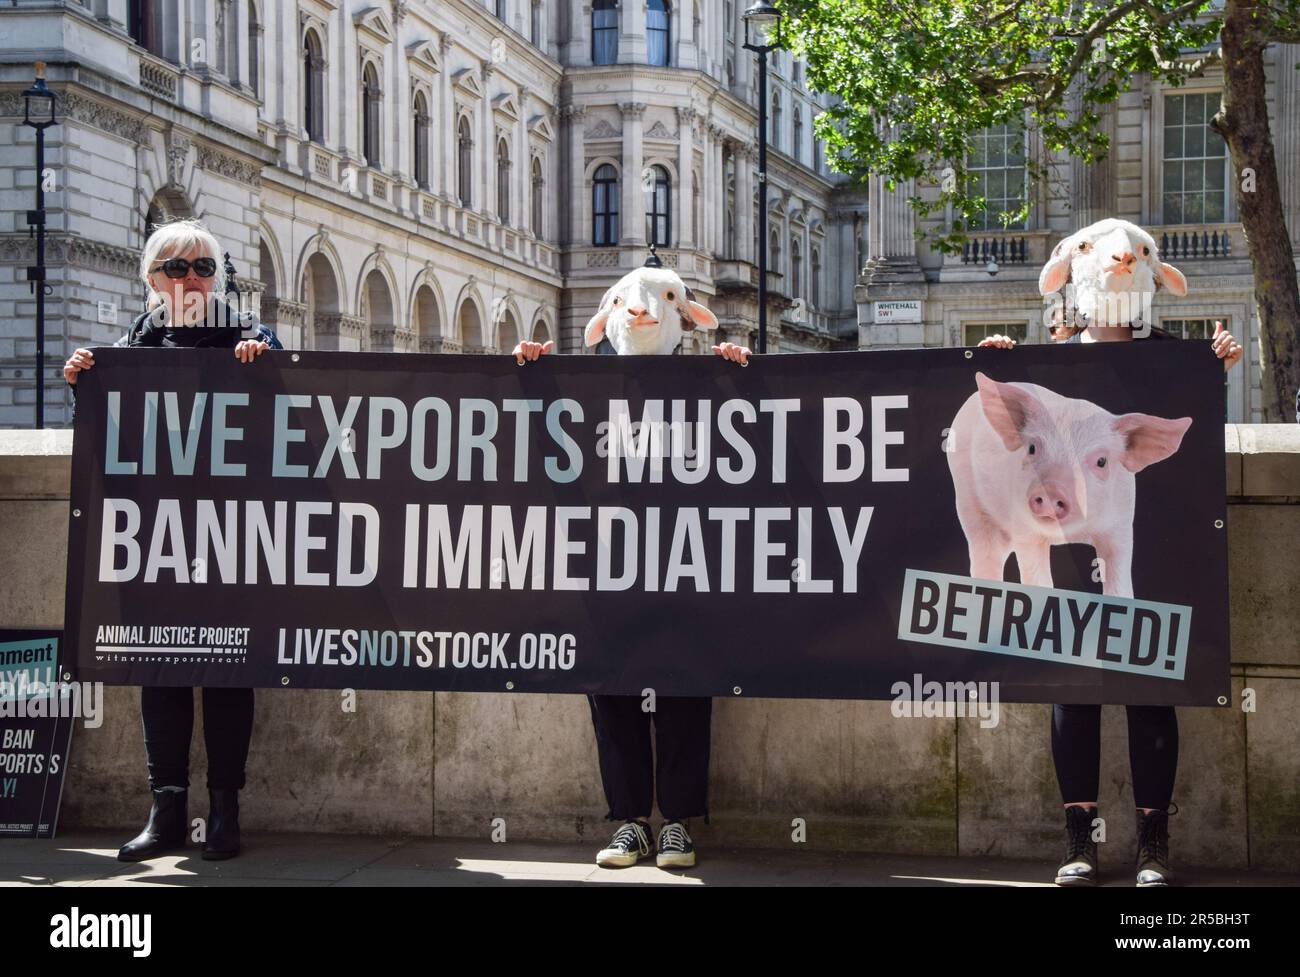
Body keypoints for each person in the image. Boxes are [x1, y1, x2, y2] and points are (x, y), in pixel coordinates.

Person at [977, 316, 1242, 886]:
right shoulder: (1055, 361)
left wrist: (1216, 365)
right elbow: (1011, 419)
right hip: (1066, 546)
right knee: (1074, 693)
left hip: (1142, 541)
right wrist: (1001, 362)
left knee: (1148, 692)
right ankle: (1080, 842)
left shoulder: (1172, 357)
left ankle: (1153, 845)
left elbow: (1192, 422)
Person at [63, 218, 282, 862]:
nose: (192, 279)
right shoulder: (135, 340)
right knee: (158, 671)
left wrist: (262, 367)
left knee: (227, 673)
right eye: (178, 268)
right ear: (153, 279)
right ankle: (165, 812)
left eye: (205, 268)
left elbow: (290, 412)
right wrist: (83, 383)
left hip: (232, 537)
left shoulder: (250, 334)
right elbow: (111, 434)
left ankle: (225, 812)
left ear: (219, 277)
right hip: (156, 539)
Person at [514, 309, 749, 870]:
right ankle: (631, 822)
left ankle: (677, 824)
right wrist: (529, 373)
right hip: (607, 567)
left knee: (685, 691)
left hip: (684, 566)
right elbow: (544, 439)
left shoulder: (700, 383)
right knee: (612, 691)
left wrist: (741, 373)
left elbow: (752, 435)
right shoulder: (587, 385)